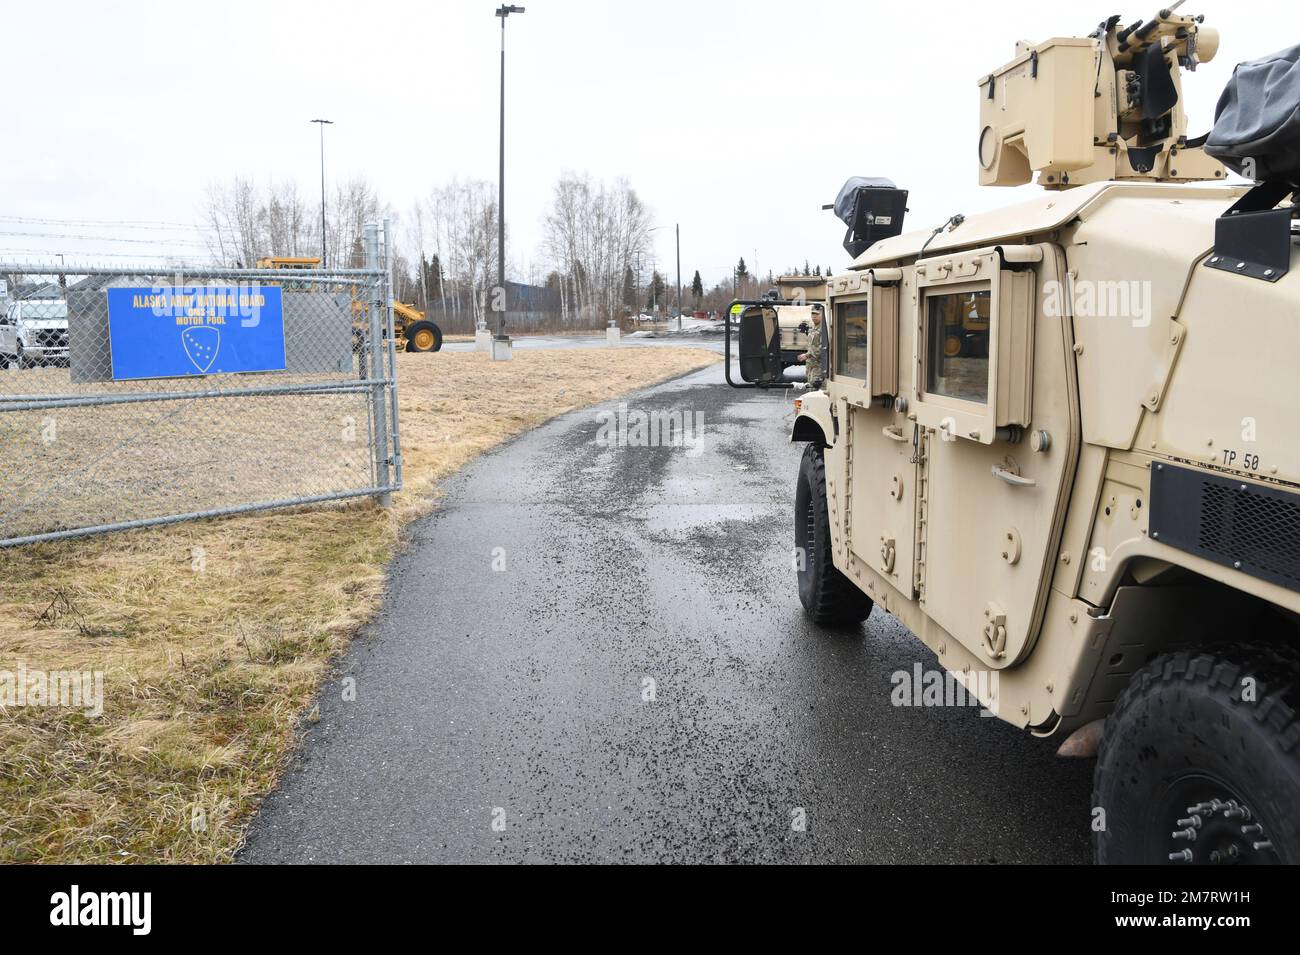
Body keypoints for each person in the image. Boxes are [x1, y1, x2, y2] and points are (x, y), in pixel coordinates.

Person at [798, 307, 825, 389]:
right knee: (811, 387)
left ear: (822, 315)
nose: (814, 316)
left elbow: (823, 347)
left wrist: (807, 355)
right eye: (812, 314)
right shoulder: (814, 327)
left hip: (818, 365)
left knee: (816, 389)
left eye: (817, 314)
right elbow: (812, 345)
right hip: (811, 365)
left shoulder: (823, 329)